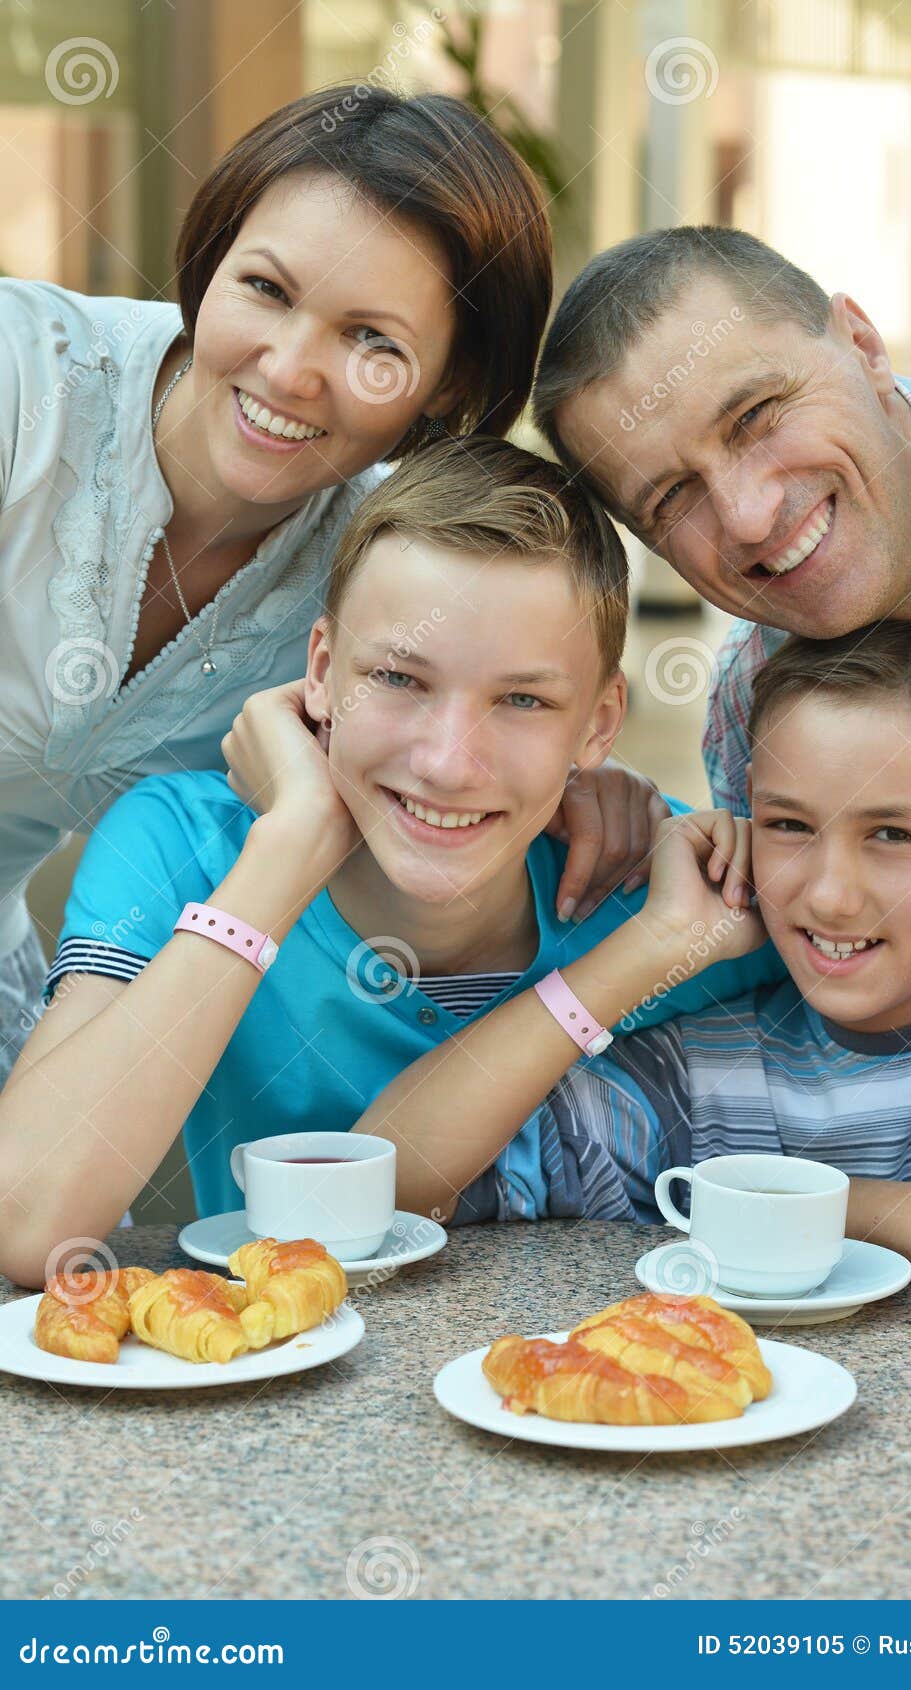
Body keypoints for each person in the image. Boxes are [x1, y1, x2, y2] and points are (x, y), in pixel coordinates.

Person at [0, 438, 780, 1288]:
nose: (449, 762)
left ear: (597, 725)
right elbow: (27, 1223)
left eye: (522, 701)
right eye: (401, 680)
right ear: (324, 671)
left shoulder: (680, 899)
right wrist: (289, 848)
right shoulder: (181, 847)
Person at [0, 82, 650, 1089]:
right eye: (265, 288)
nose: (291, 368)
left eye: (372, 341)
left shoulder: (381, 582)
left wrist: (574, 774)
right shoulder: (20, 385)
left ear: (451, 385)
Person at [352, 621, 911, 1319]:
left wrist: (781, 1203)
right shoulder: (694, 1074)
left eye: (891, 835)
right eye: (788, 825)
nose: (828, 894)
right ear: (746, 810)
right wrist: (656, 942)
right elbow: (382, 1189)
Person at [531, 225, 911, 1054]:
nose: (746, 516)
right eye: (673, 498)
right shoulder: (755, 713)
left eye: (755, 417)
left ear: (861, 343)